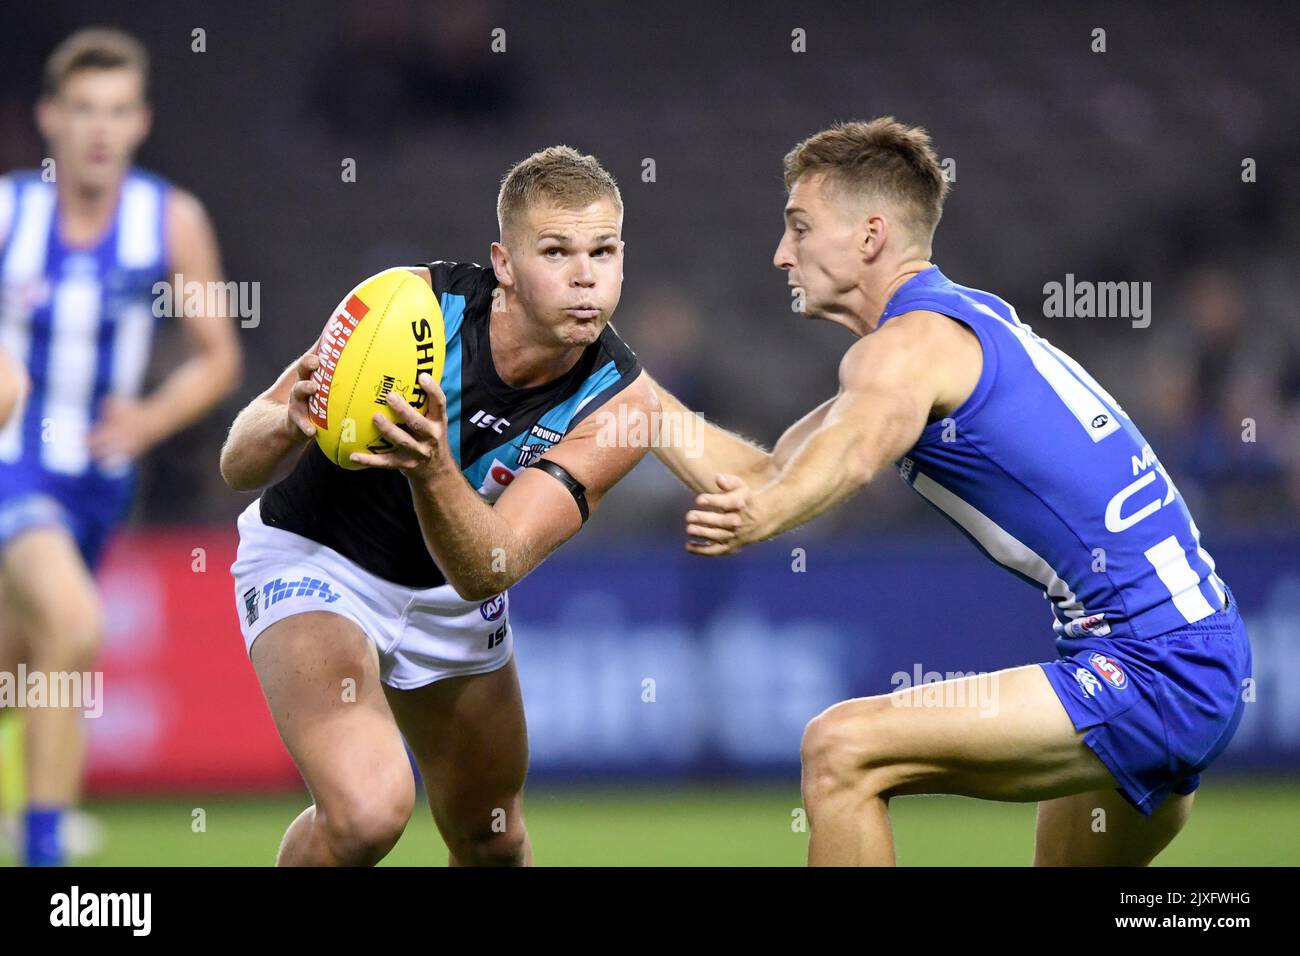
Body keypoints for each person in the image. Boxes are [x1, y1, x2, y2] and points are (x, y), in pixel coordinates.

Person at [650, 118, 1252, 866]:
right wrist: (629, 395)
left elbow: (857, 452)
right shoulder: (948, 327)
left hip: (1153, 666)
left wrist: (767, 515)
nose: (781, 254)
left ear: (870, 236)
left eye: (799, 228)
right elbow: (769, 473)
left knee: (840, 750)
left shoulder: (908, 348)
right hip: (1183, 653)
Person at [220, 145, 658, 866]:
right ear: (505, 263)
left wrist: (432, 470)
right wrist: (286, 421)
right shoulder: (411, 305)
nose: (586, 276)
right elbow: (238, 463)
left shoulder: (623, 405)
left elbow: (491, 568)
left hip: (453, 597)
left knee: (493, 839)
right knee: (367, 813)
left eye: (603, 251)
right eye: (556, 251)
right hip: (318, 560)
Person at [0, 28, 242, 867]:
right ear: (50, 121)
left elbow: (218, 358)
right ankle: (44, 852)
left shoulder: (169, 220)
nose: (98, 129)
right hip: (10, 463)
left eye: (115, 111)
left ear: (139, 121)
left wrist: (147, 420)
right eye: (82, 111)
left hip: (99, 484)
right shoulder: (8, 211)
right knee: (72, 624)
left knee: (24, 666)